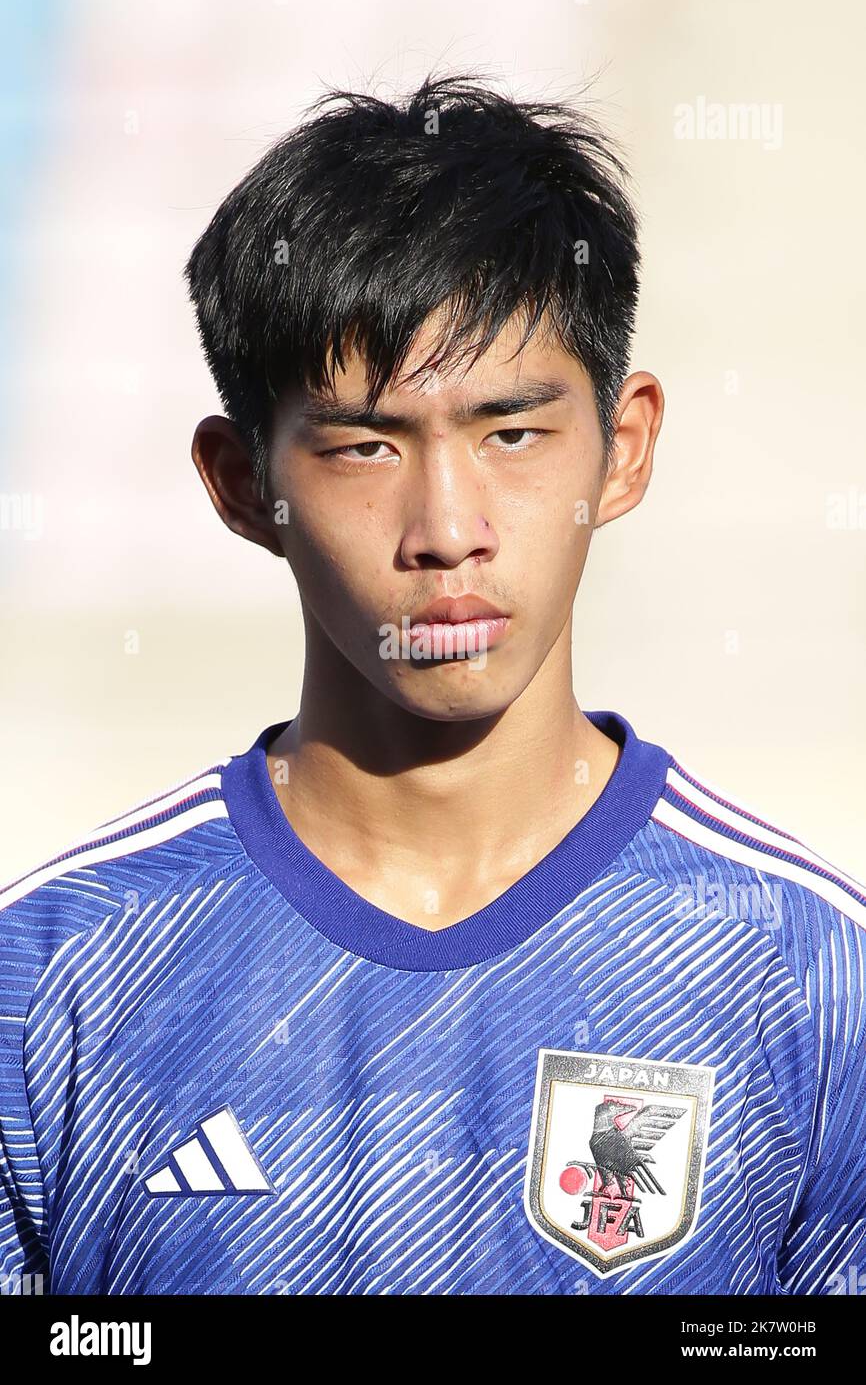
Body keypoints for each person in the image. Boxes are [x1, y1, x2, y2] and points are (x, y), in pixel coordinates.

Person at [1, 74, 863, 1296]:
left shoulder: (811, 974)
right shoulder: (50, 981)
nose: (447, 529)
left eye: (511, 433)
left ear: (622, 451)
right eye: (364, 445)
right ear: (244, 484)